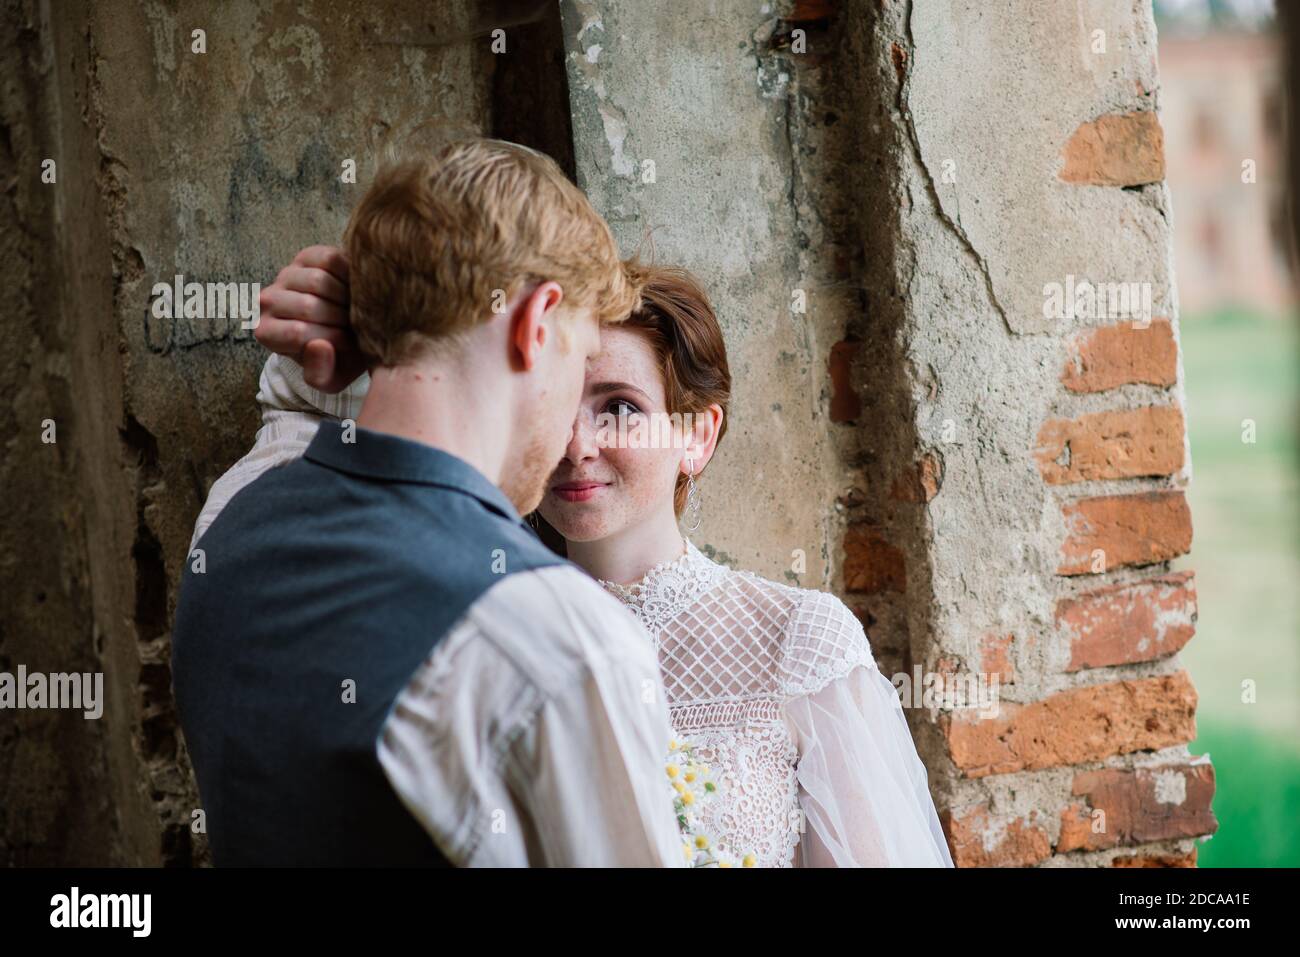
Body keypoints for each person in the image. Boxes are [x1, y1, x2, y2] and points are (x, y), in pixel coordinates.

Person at [216, 247, 955, 867]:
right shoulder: (480, 621)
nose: (578, 444)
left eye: (620, 407)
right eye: (563, 401)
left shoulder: (800, 638)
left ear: (696, 435)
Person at [172, 138, 686, 867]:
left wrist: (389, 320)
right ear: (536, 323)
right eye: (578, 359)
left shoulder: (233, 513)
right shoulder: (557, 638)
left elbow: (298, 407)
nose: (575, 427)